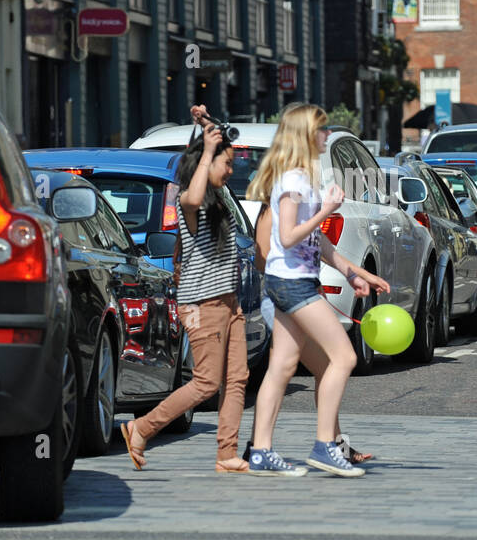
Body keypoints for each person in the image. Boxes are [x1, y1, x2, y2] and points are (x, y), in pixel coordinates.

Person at [244, 103, 390, 477]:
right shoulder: (292, 182)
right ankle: (325, 446)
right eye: (322, 130)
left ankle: (260, 450)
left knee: (283, 365)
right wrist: (326, 209)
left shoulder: (301, 180)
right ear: (307, 135)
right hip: (292, 285)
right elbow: (290, 236)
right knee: (343, 357)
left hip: (288, 282)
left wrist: (357, 274)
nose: (327, 136)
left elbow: (319, 244)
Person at [120, 105, 250, 473]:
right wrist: (208, 151)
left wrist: (207, 125)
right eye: (226, 163)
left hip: (229, 302)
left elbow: (213, 160)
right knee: (207, 382)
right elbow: (193, 197)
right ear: (206, 165)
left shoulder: (220, 199)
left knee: (236, 378)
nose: (231, 169)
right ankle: (141, 427)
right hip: (203, 303)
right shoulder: (188, 203)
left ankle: (227, 454)